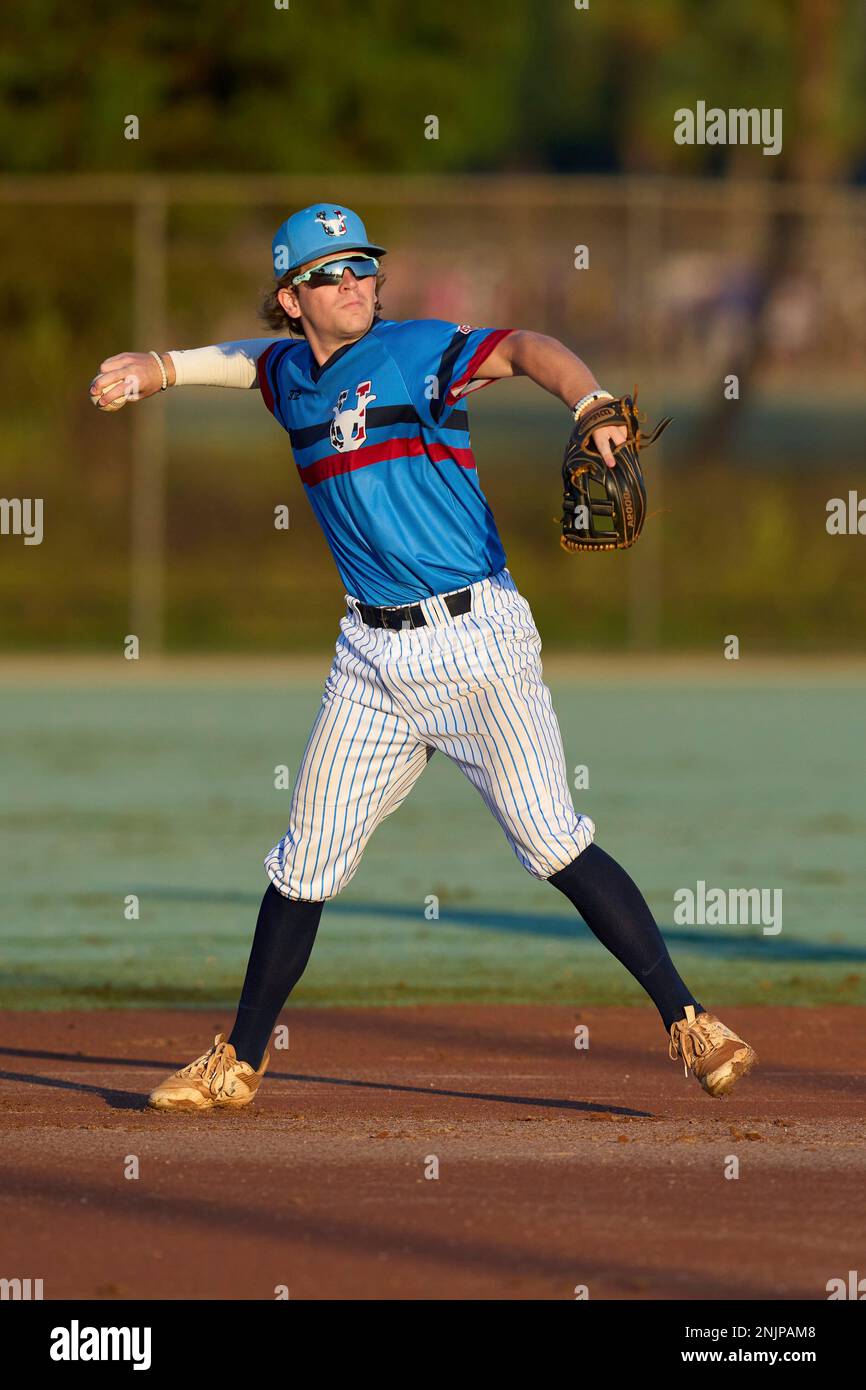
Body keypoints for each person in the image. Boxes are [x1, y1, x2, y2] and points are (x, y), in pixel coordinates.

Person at [89, 202, 757, 1113]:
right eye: (331, 273)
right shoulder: (290, 369)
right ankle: (236, 1060)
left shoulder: (417, 351)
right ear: (291, 298)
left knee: (554, 842)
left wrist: (591, 397)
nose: (355, 282)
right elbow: (247, 362)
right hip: (369, 655)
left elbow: (523, 347)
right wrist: (157, 369)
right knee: (304, 861)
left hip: (478, 639)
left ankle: (690, 1021)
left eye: (363, 265)